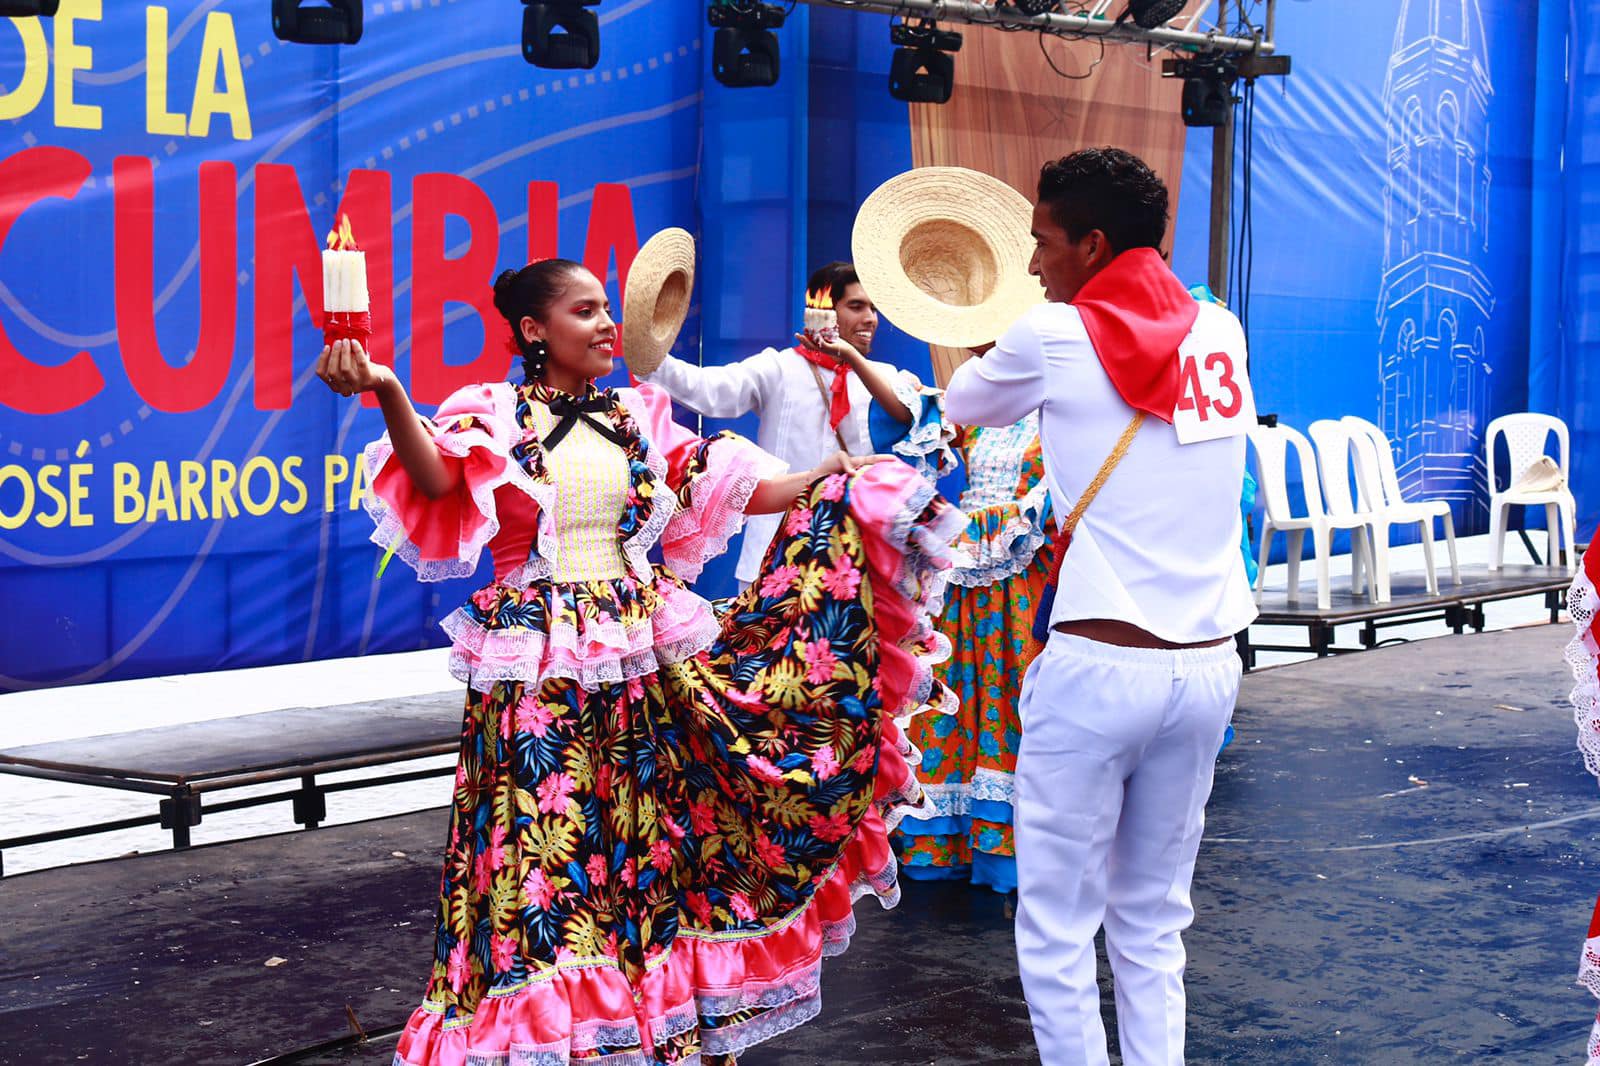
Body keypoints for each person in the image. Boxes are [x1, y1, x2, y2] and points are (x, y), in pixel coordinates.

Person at [315, 257, 960, 1065]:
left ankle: (640, 1027)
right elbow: (437, 478)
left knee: (647, 848)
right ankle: (551, 1036)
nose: (606, 324)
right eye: (585, 311)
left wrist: (822, 479)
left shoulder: (638, 414)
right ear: (533, 330)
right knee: (546, 856)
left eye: (605, 309)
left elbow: (722, 489)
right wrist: (387, 390)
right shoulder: (491, 412)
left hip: (641, 656)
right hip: (538, 668)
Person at [943, 148, 1258, 1065]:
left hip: (1097, 669)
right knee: (1155, 922)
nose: (1033, 263)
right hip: (1208, 669)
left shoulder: (1049, 334)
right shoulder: (1222, 329)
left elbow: (964, 400)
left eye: (1043, 242)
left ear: (1091, 245)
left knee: (1055, 927)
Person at [641, 262, 942, 587]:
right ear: (823, 311)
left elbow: (926, 418)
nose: (870, 318)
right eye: (856, 306)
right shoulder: (780, 367)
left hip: (853, 560)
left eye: (873, 308)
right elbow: (708, 390)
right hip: (775, 557)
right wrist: (649, 356)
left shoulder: (886, 378)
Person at [885, 408, 1051, 896]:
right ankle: (944, 845)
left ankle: (1012, 849)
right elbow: (913, 419)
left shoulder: (1067, 414)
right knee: (953, 698)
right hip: (961, 575)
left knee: (1012, 699)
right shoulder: (979, 413)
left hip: (1020, 572)